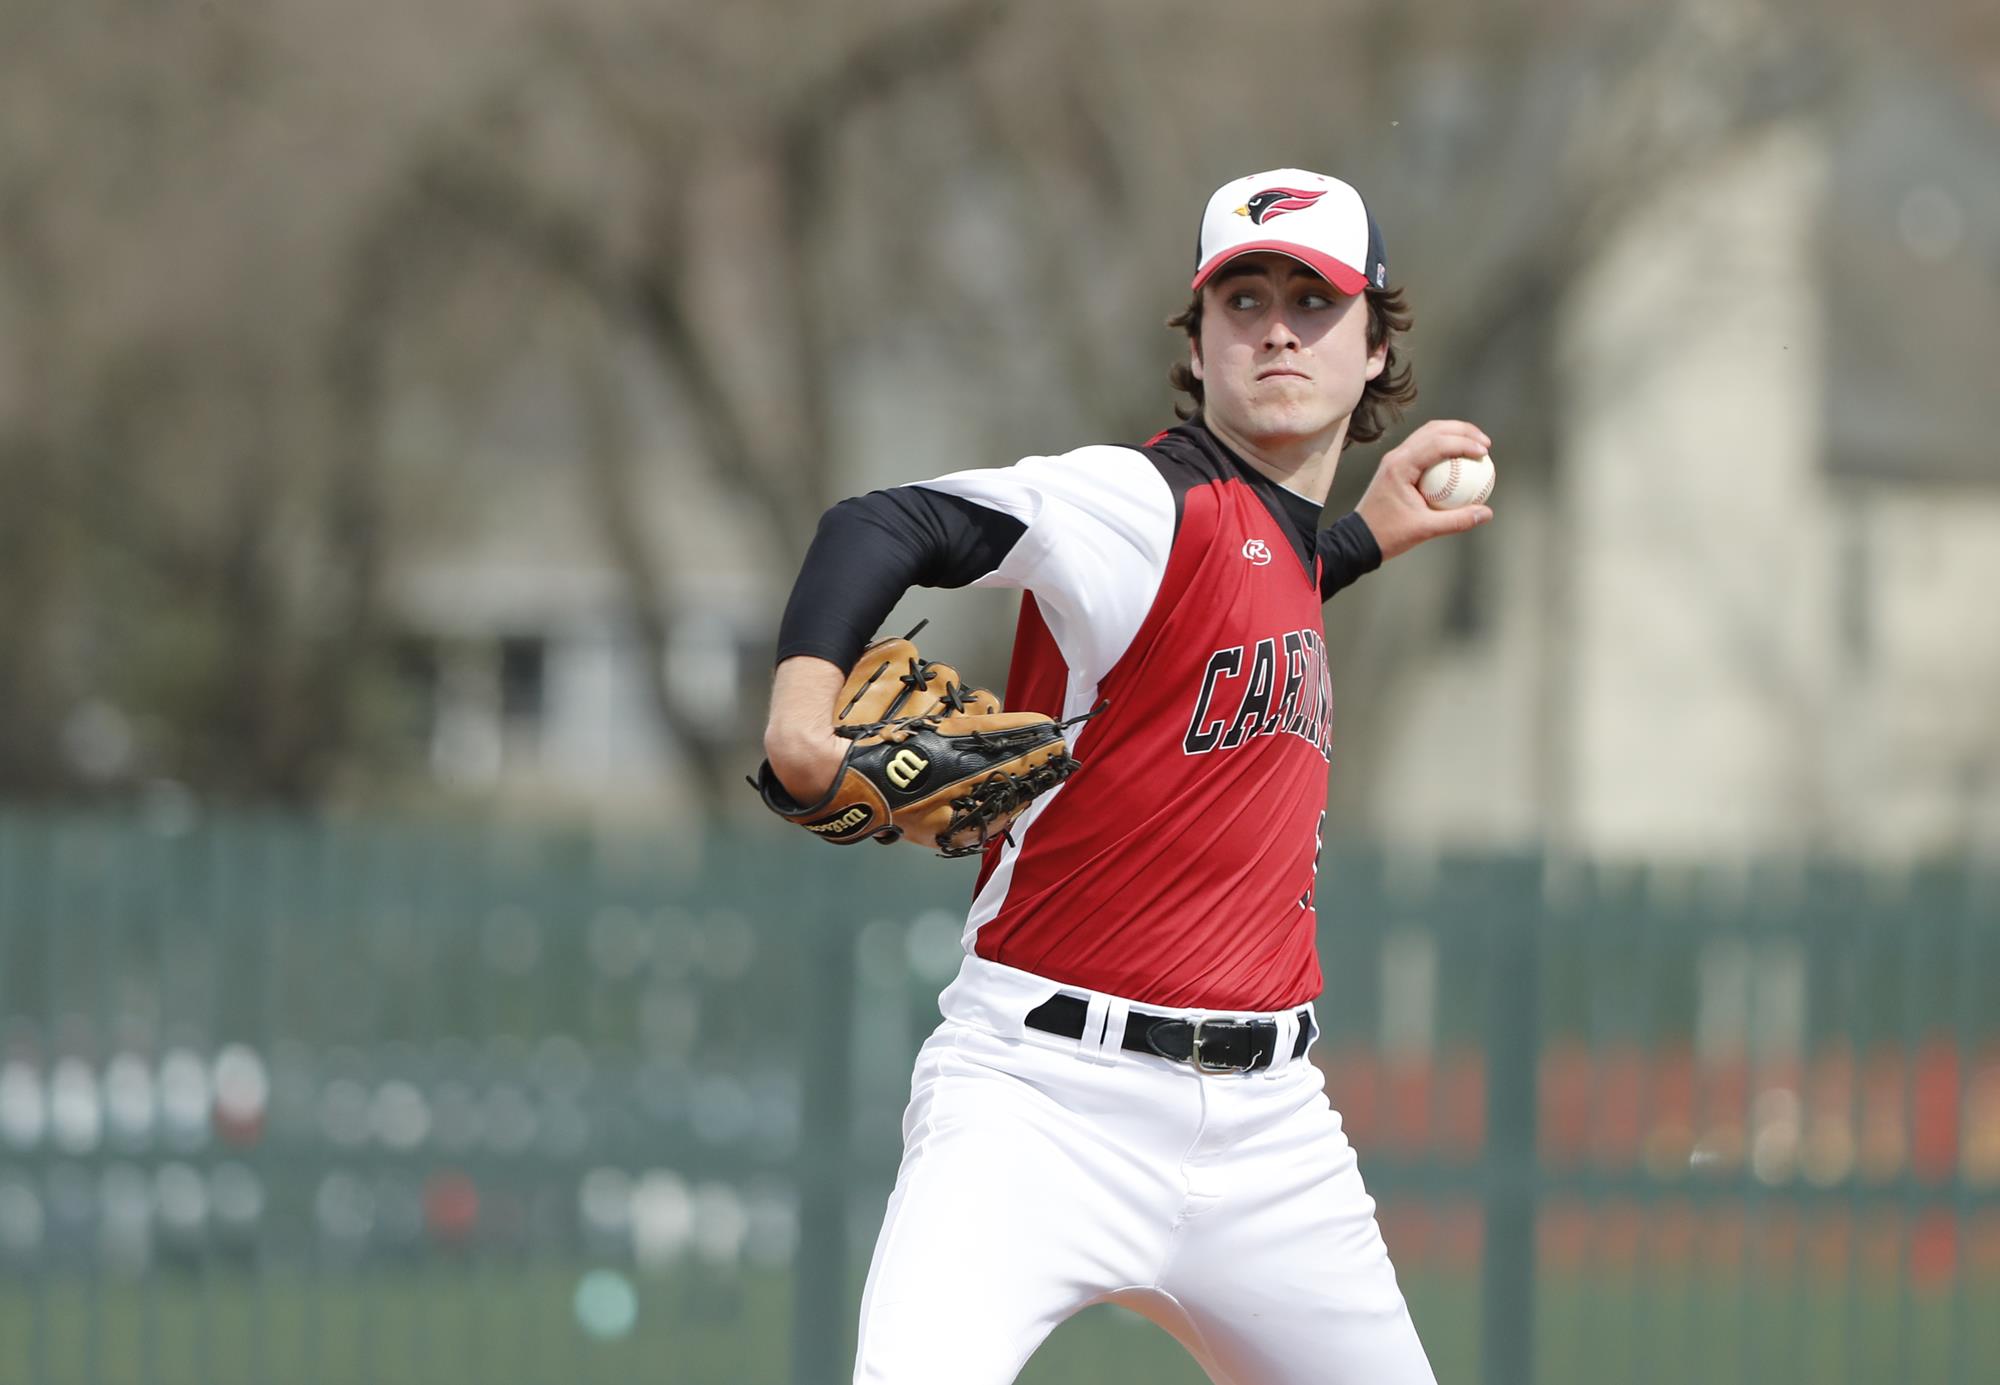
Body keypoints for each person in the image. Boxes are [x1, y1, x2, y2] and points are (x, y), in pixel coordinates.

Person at [762, 168, 1492, 1385]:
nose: (1272, 327)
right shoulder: (1138, 502)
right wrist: (799, 722)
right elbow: (879, 524)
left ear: (1375, 347)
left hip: (1269, 1131)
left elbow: (1234, 609)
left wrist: (1352, 541)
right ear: (1196, 342)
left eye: (1311, 301)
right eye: (1241, 298)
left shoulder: (1278, 542)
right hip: (1041, 1101)